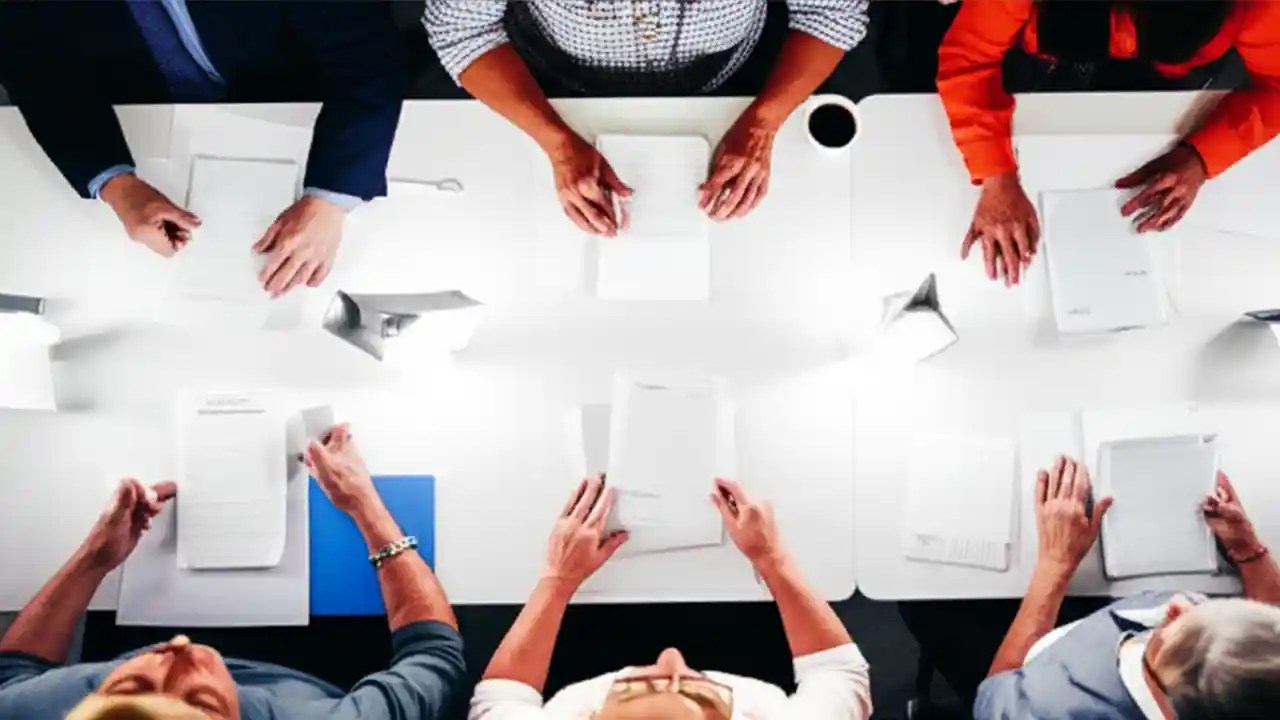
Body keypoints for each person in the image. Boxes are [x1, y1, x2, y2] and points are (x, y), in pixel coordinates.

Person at [0, 425, 465, 719]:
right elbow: (432, 656)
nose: (180, 649)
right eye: (199, 701)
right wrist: (364, 503)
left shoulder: (49, 709)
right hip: (318, 662)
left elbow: (13, 674)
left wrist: (96, 556)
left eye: (131, 684)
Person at [0, 1, 406, 298]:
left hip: (301, 106)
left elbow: (365, 55)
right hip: (145, 122)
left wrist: (331, 197)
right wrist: (114, 183)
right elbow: (38, 71)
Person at [422, 0, 870, 235]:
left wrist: (763, 123)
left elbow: (831, 12)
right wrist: (556, 142)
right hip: (556, 94)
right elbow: (463, 27)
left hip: (730, 91)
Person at [469, 475, 872, 719]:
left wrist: (557, 580)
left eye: (635, 688)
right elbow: (838, 674)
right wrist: (771, 558)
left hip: (581, 647)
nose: (672, 655)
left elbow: (500, 697)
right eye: (697, 690)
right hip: (751, 644)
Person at [937, 1, 1280, 286]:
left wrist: (1203, 156)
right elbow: (971, 56)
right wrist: (996, 174)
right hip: (1044, 57)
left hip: (1171, 81)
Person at [974, 455, 1280, 719]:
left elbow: (994, 692)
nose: (1182, 601)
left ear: (1172, 614)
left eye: (1185, 622)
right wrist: (1249, 552)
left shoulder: (1037, 711)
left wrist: (1054, 564)